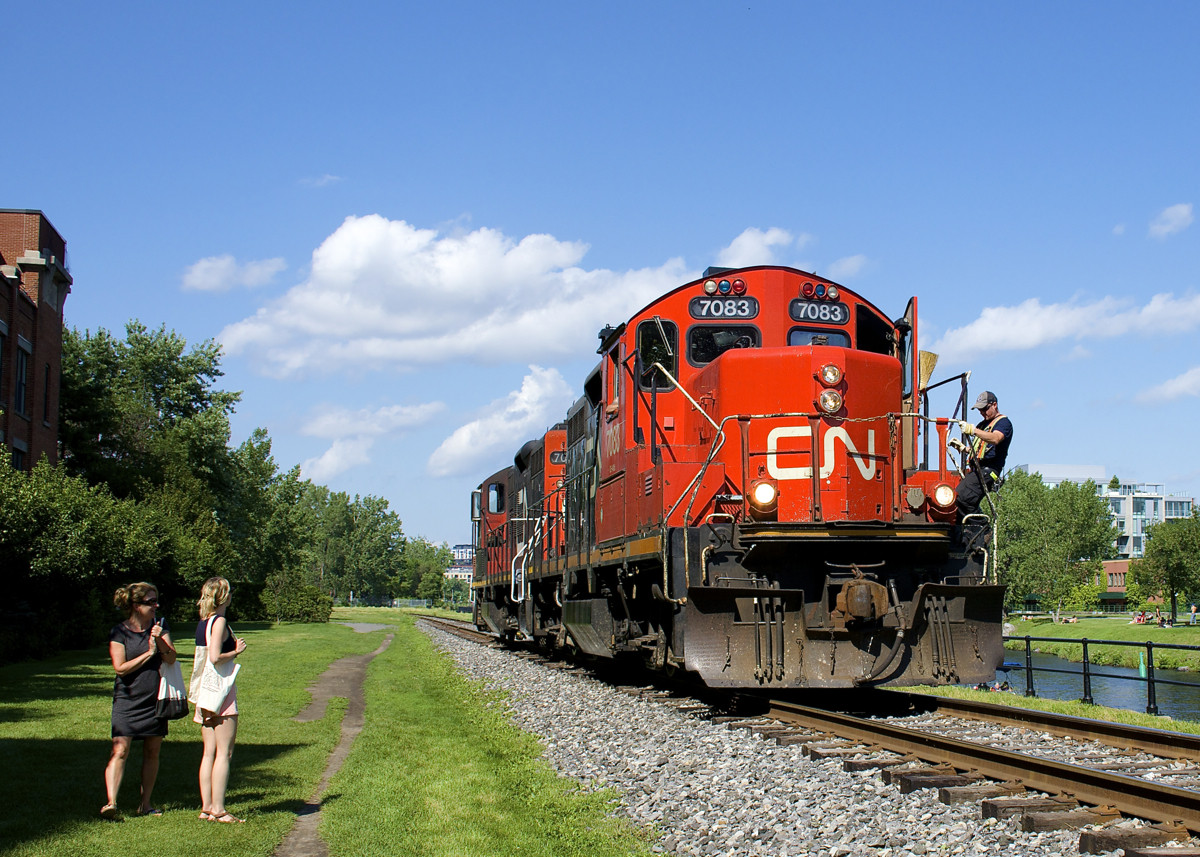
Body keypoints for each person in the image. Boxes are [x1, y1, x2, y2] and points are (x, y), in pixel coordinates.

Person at [103, 582, 177, 820]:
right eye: (150, 602)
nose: (156, 606)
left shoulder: (160, 628)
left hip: (155, 700)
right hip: (127, 700)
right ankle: (111, 803)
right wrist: (149, 653)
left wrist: (160, 641)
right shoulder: (119, 632)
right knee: (120, 750)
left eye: (156, 601)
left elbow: (171, 659)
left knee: (152, 751)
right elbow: (120, 668)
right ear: (135, 605)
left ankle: (145, 804)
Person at [193, 577, 247, 823]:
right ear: (223, 596)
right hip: (221, 692)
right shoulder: (220, 621)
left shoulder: (203, 622)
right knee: (224, 752)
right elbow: (215, 657)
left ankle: (206, 807)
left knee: (209, 753)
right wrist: (236, 651)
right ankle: (219, 809)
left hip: (204, 692)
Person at [956, 391, 1013, 519]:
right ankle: (969, 532)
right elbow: (981, 449)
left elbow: (995, 438)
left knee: (962, 497)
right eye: (980, 410)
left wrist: (973, 431)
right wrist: (964, 448)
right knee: (960, 500)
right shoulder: (983, 425)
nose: (982, 412)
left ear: (994, 405)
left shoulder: (1003, 423)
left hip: (989, 470)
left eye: (984, 409)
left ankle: (982, 525)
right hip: (978, 469)